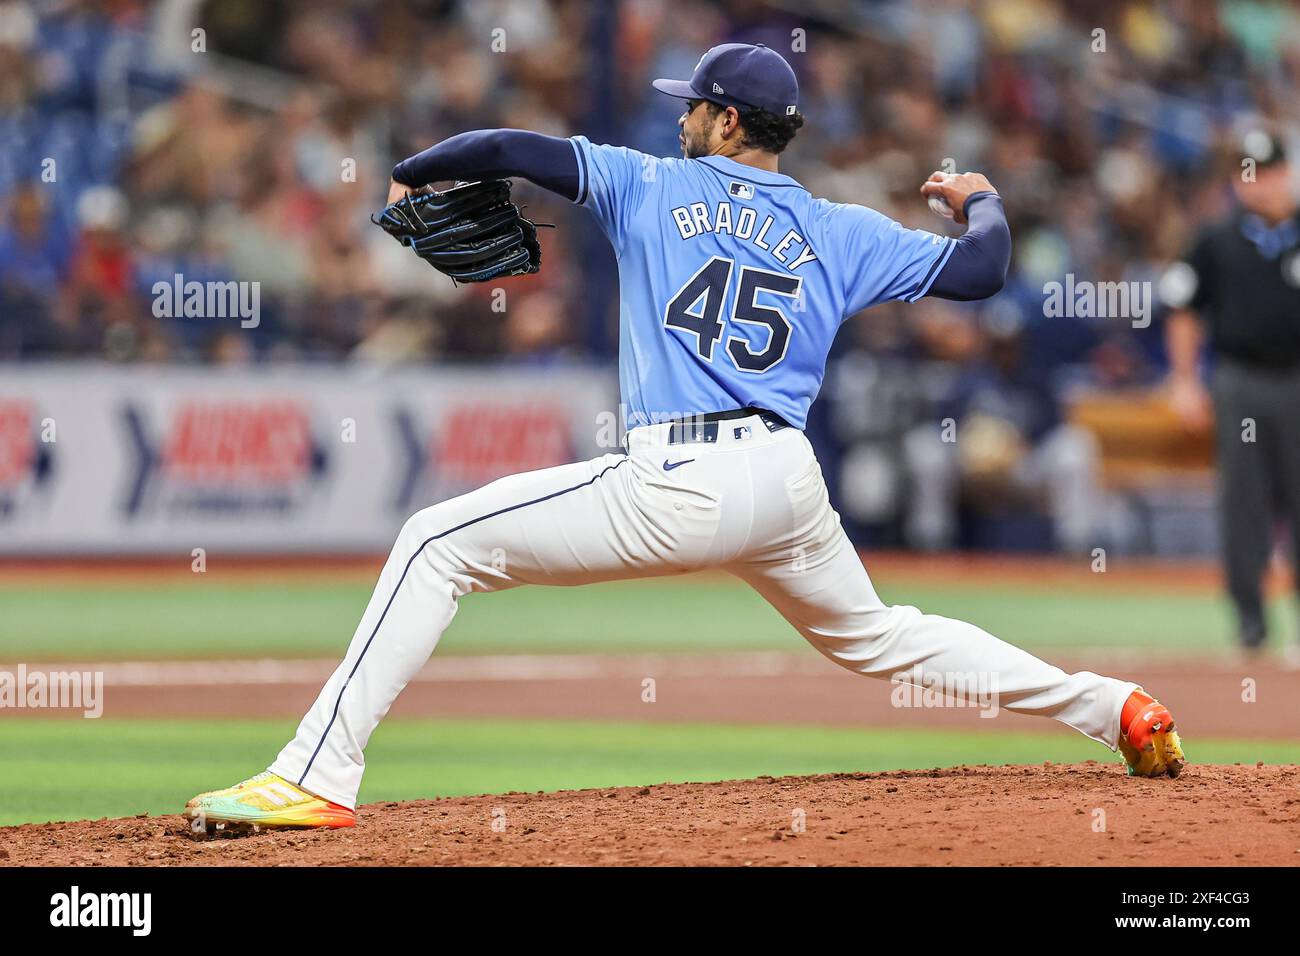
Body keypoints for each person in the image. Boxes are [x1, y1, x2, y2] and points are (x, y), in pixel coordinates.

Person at [186, 43, 1183, 832]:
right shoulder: (841, 228)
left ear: (728, 120)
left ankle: (313, 774)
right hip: (788, 483)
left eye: (694, 104)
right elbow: (979, 273)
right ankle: (1112, 707)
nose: (681, 115)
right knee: (880, 635)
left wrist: (408, 174)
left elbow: (501, 147)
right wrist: (982, 200)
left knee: (436, 543)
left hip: (678, 479)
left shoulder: (648, 182)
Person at [1163, 129, 1300, 656]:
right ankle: (1251, 625)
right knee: (1242, 504)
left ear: (1285, 172)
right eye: (1246, 173)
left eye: (1266, 172)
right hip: (1239, 381)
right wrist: (1183, 380)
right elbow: (1184, 310)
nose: (1257, 184)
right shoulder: (1215, 241)